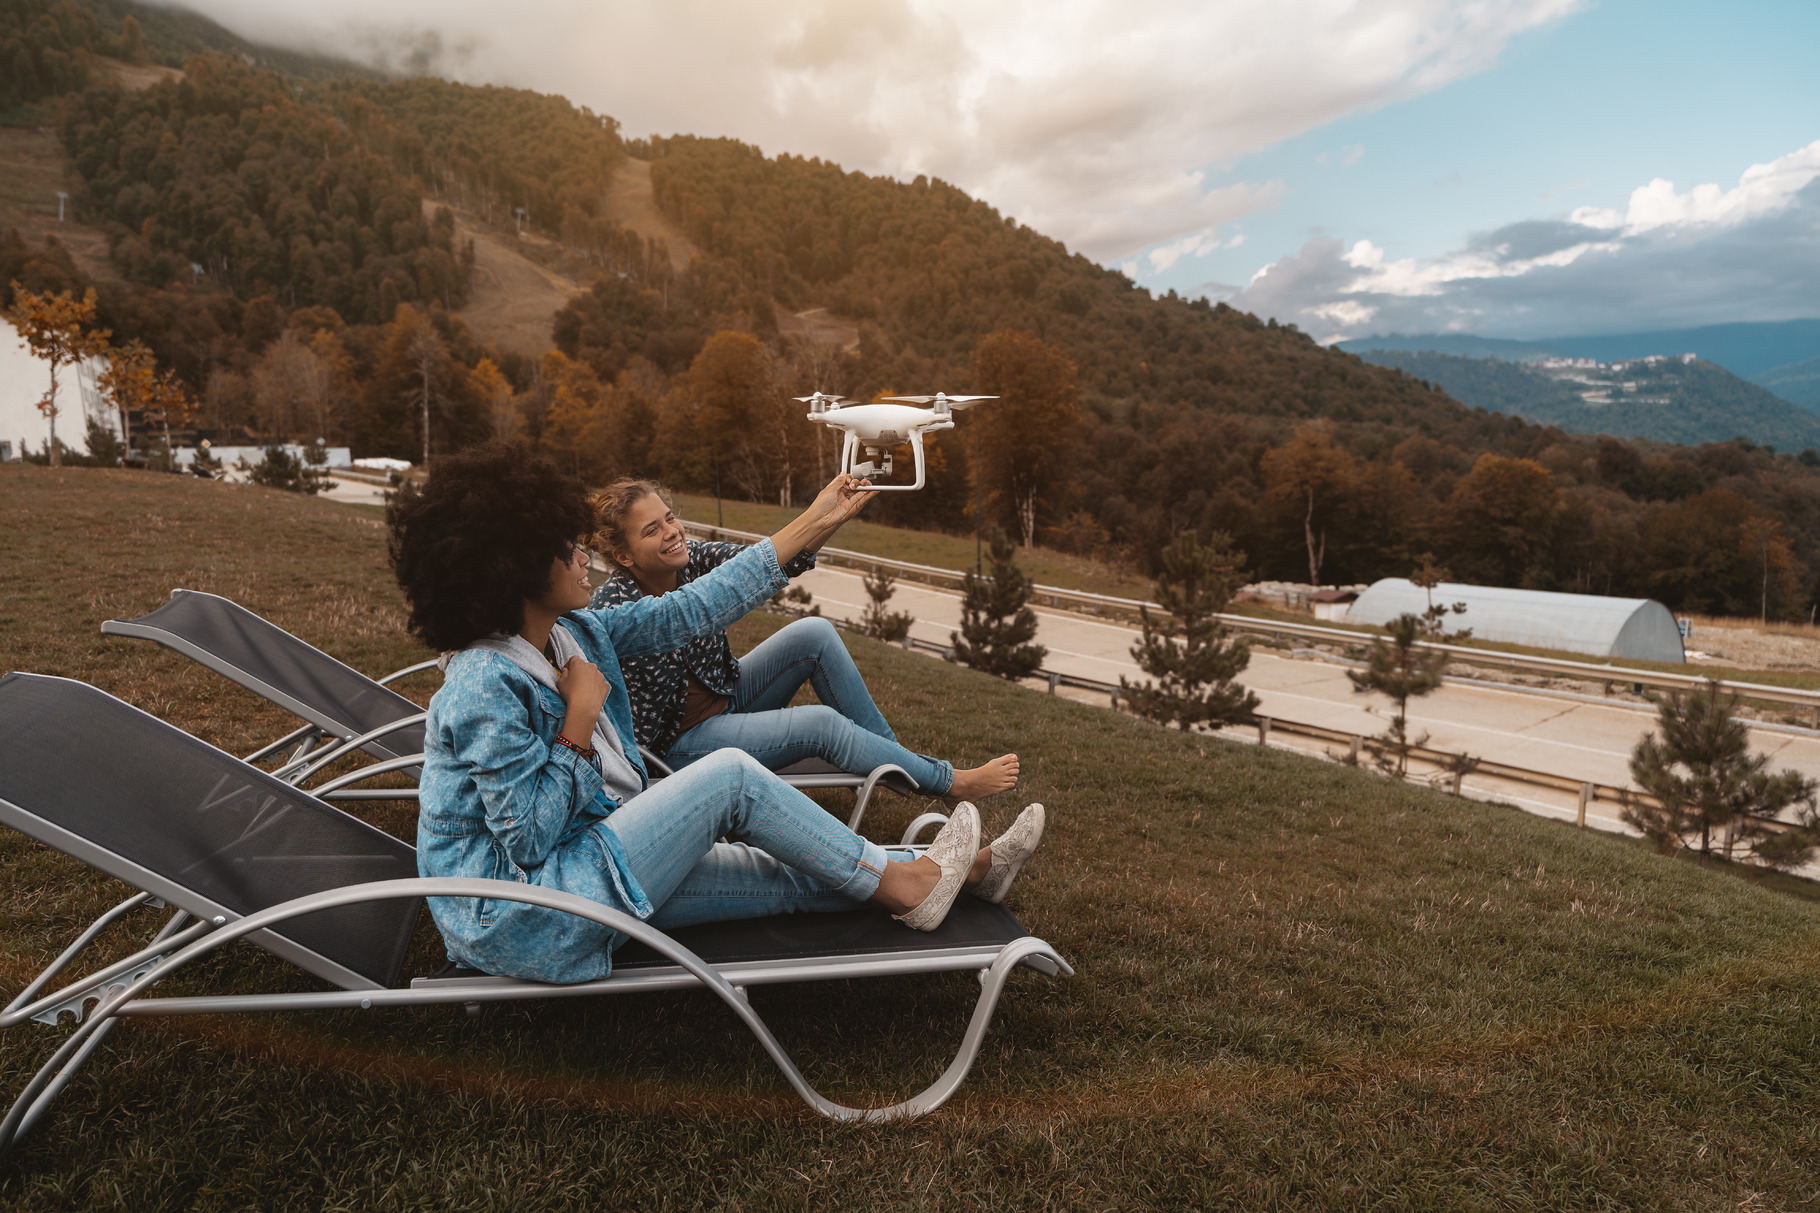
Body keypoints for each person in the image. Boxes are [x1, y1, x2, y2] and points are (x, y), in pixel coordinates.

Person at [388, 443, 1045, 984]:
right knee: (731, 776)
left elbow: (693, 608)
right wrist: (579, 722)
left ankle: (970, 870)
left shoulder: (575, 631)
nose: (582, 555)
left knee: (782, 872)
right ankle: (911, 889)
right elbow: (527, 839)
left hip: (598, 858)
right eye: (568, 548)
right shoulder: (483, 680)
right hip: (525, 913)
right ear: (518, 570)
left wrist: (817, 518)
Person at [589, 478, 1019, 804]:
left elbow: (765, 561)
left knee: (814, 633)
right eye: (651, 530)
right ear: (623, 556)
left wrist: (833, 517)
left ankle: (898, 766)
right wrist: (817, 514)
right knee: (820, 725)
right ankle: (947, 782)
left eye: (669, 517)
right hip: (679, 745)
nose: (671, 531)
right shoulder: (613, 610)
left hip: (728, 696)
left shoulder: (689, 559)